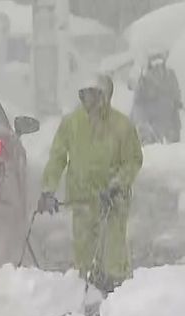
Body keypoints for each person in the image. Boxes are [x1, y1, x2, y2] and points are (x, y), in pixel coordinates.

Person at [37, 74, 144, 295]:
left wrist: (116, 185)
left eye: (95, 95)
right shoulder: (71, 124)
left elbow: (133, 161)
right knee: (84, 255)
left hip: (113, 202)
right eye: (86, 95)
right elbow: (58, 157)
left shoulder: (122, 126)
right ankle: (87, 297)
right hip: (82, 201)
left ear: (105, 96)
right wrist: (48, 188)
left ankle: (117, 296)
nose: (90, 101)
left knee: (112, 255)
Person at [132, 52, 183, 144]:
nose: (157, 66)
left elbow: (175, 89)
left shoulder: (170, 74)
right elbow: (137, 101)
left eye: (160, 63)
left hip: (167, 109)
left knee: (173, 124)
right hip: (150, 110)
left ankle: (171, 140)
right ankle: (148, 140)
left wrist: (177, 100)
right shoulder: (144, 78)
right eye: (155, 64)